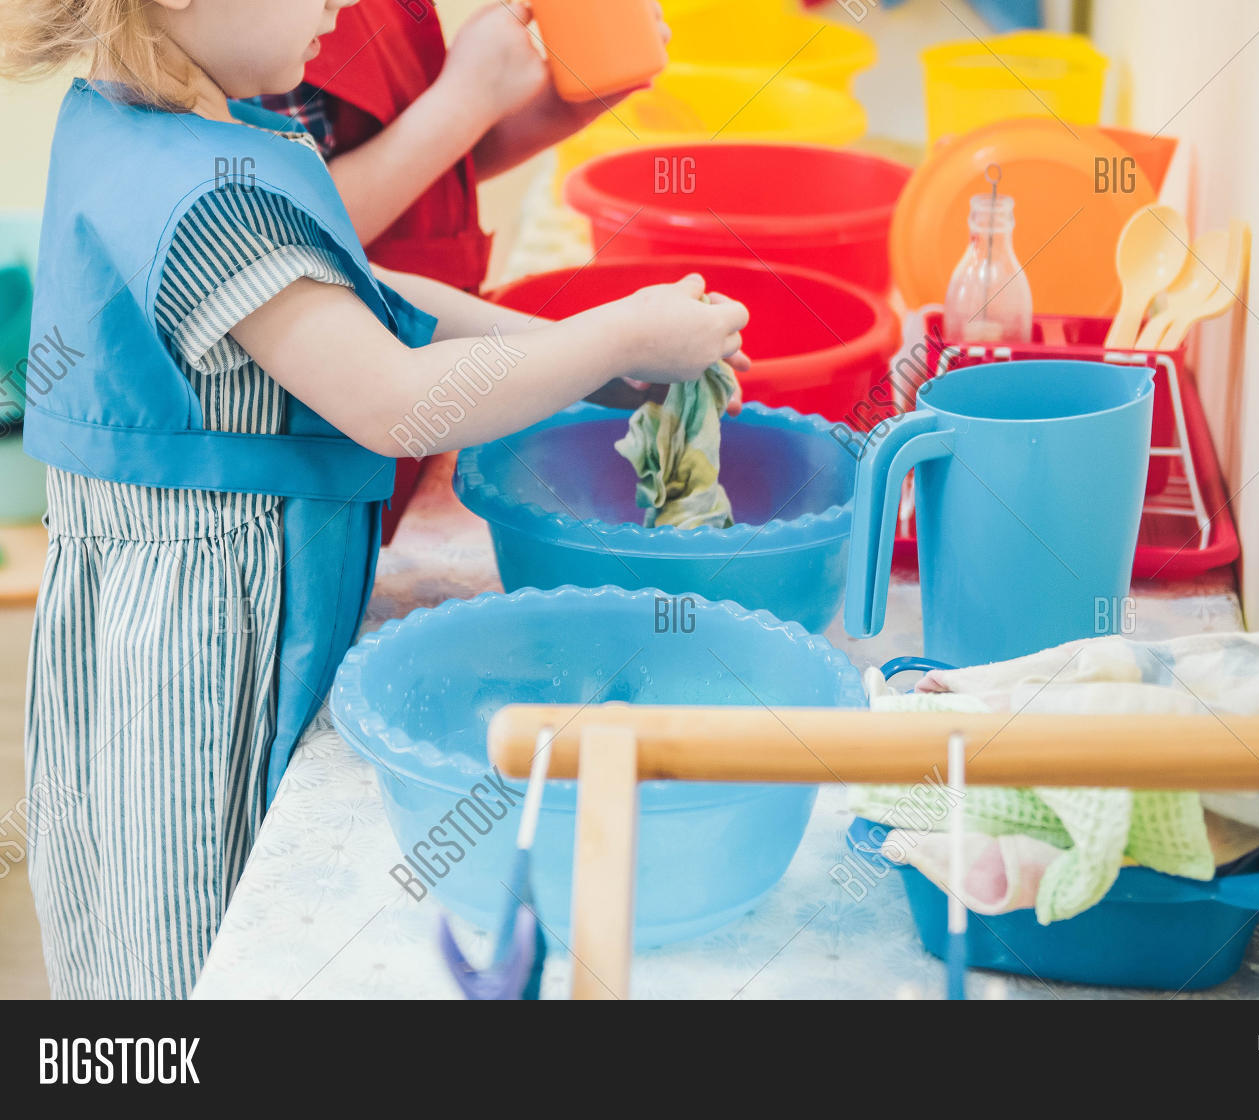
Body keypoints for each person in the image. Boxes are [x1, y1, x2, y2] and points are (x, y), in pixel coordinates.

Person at [2, 0, 747, 998]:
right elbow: (396, 405)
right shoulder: (212, 201)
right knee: (187, 941)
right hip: (190, 646)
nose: (339, 7)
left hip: (183, 599)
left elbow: (366, 290)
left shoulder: (162, 124)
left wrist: (580, 358)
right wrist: (610, 340)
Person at [255, 0, 671, 538]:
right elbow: (296, 232)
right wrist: (467, 98)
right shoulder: (254, 36)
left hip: (425, 385)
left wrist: (556, 110)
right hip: (325, 438)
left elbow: (418, 173)